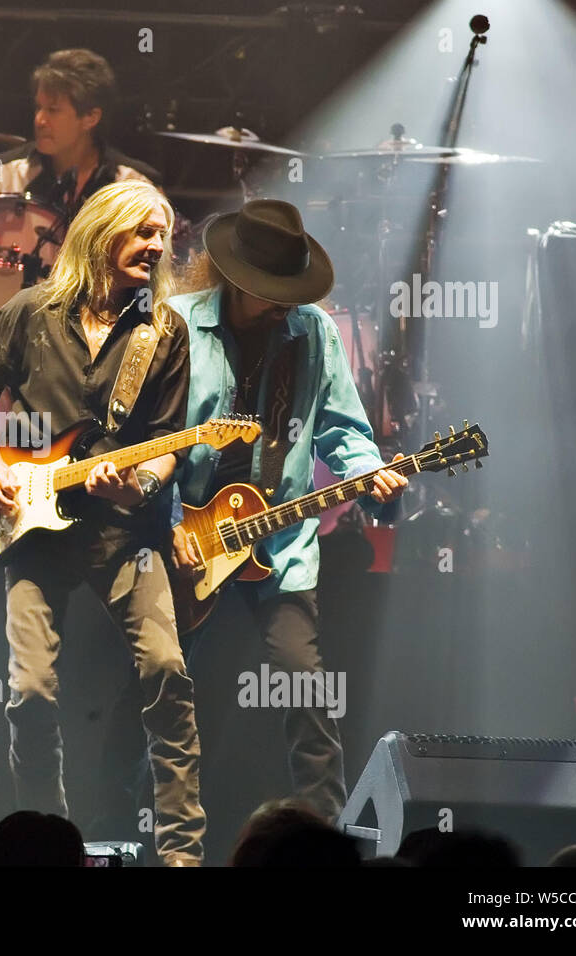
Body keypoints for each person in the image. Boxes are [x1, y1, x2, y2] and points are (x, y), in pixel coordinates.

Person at [0, 179, 205, 866]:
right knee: (30, 691)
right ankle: (45, 849)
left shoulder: (165, 332)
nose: (157, 246)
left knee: (166, 673)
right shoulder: (31, 312)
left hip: (127, 537)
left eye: (163, 235)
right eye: (143, 232)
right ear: (103, 233)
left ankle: (183, 856)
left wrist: (135, 488)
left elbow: (167, 446)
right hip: (33, 530)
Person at [164, 199, 409, 823]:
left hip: (277, 548)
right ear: (237, 281)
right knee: (164, 699)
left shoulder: (312, 332)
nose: (284, 304)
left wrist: (368, 472)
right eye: (272, 291)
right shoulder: (176, 326)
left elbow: (343, 429)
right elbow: (143, 437)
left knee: (305, 688)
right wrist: (169, 523)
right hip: (184, 542)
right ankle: (143, 839)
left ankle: (327, 838)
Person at [0, 47, 161, 276]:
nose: (40, 120)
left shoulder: (135, 184)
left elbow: (160, 262)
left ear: (90, 117)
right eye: (38, 108)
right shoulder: (5, 171)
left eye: (52, 110)